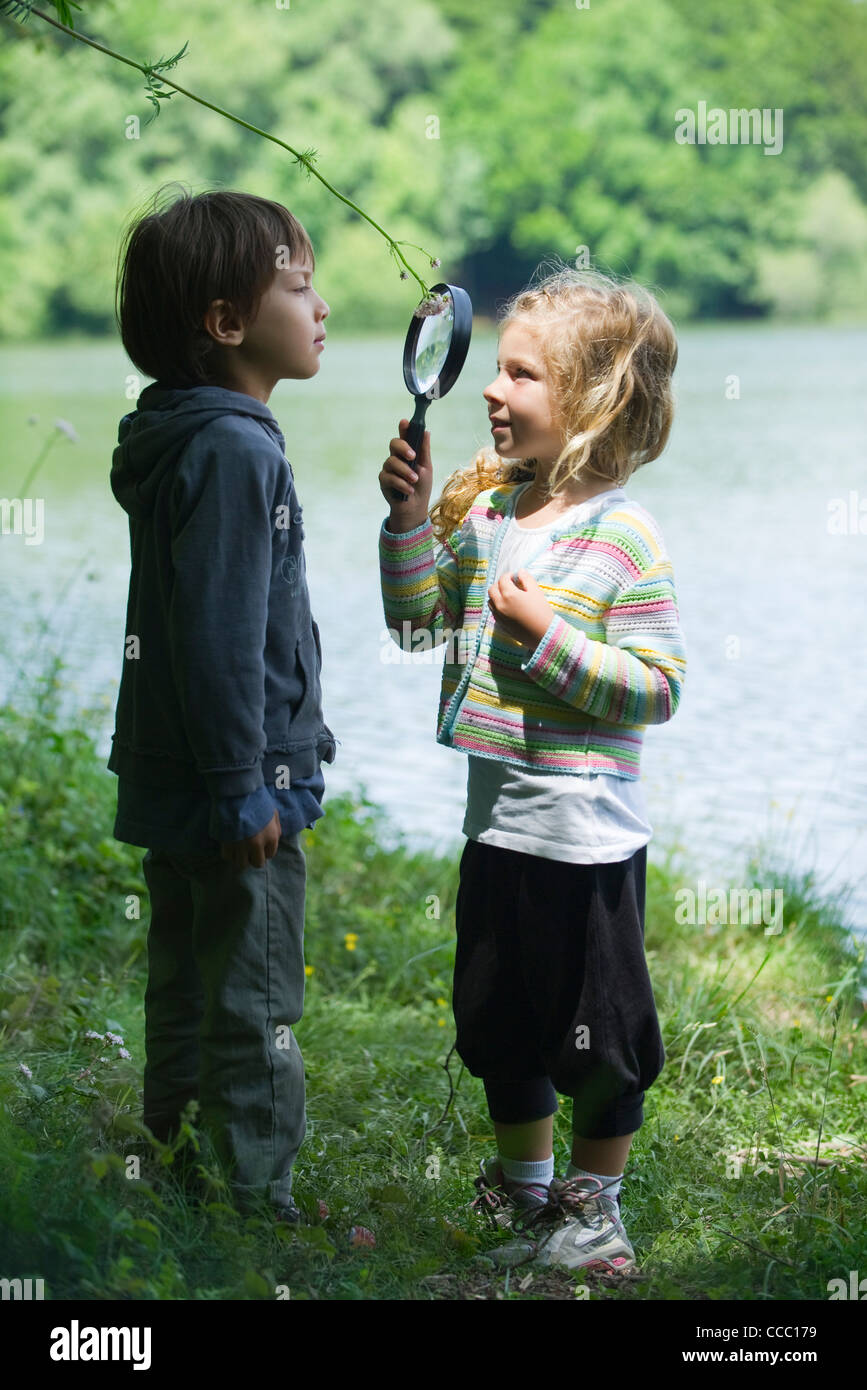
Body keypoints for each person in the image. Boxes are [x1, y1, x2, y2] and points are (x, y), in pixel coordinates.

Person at [378, 264, 686, 1271]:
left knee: (600, 1036)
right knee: (498, 1023)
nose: (493, 392)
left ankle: (597, 1218)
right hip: (496, 830)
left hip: (584, 840)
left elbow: (657, 687)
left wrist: (549, 636)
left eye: (521, 376)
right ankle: (528, 1203)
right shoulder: (488, 517)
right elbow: (419, 625)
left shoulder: (624, 538)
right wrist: (406, 524)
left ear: (592, 403)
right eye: (496, 370)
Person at [107, 184, 337, 1221]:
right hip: (239, 784)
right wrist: (243, 784)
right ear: (227, 324)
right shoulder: (240, 449)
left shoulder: (182, 435)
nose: (321, 304)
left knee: (187, 984)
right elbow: (218, 636)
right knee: (254, 998)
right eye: (301, 283)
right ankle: (254, 1212)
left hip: (175, 768)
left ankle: (183, 1175)